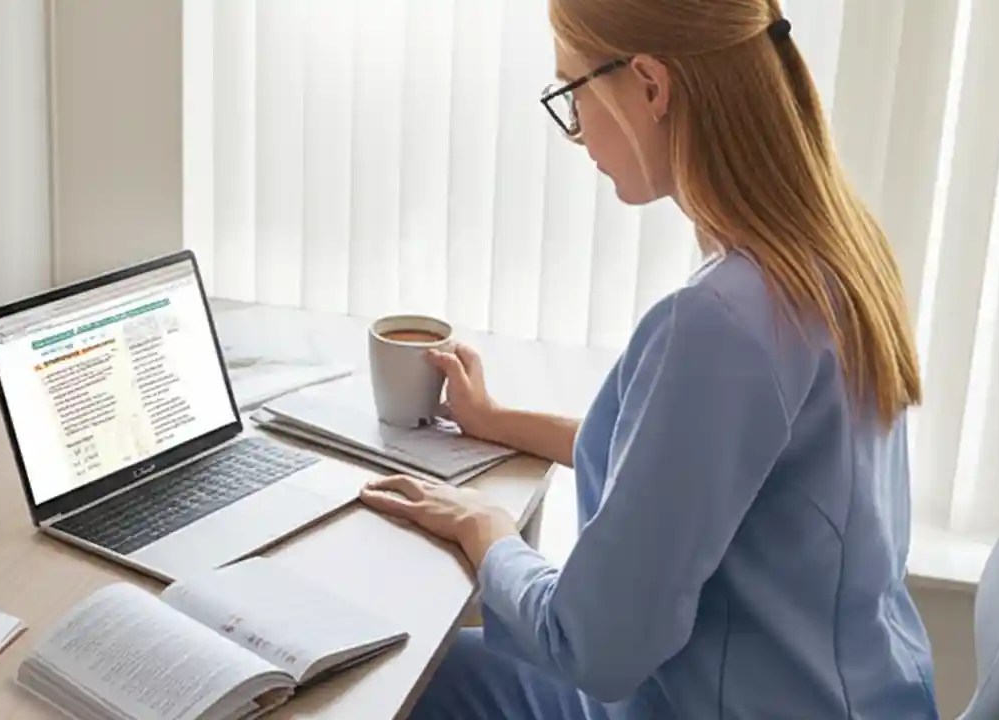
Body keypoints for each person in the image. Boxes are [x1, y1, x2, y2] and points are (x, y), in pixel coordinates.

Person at [356, 0, 939, 718]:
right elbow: (688, 472)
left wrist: (486, 531)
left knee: (398, 681)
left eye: (572, 91)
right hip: (856, 695)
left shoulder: (725, 319)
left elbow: (592, 647)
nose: (575, 133)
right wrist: (496, 420)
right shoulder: (834, 251)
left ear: (651, 86)